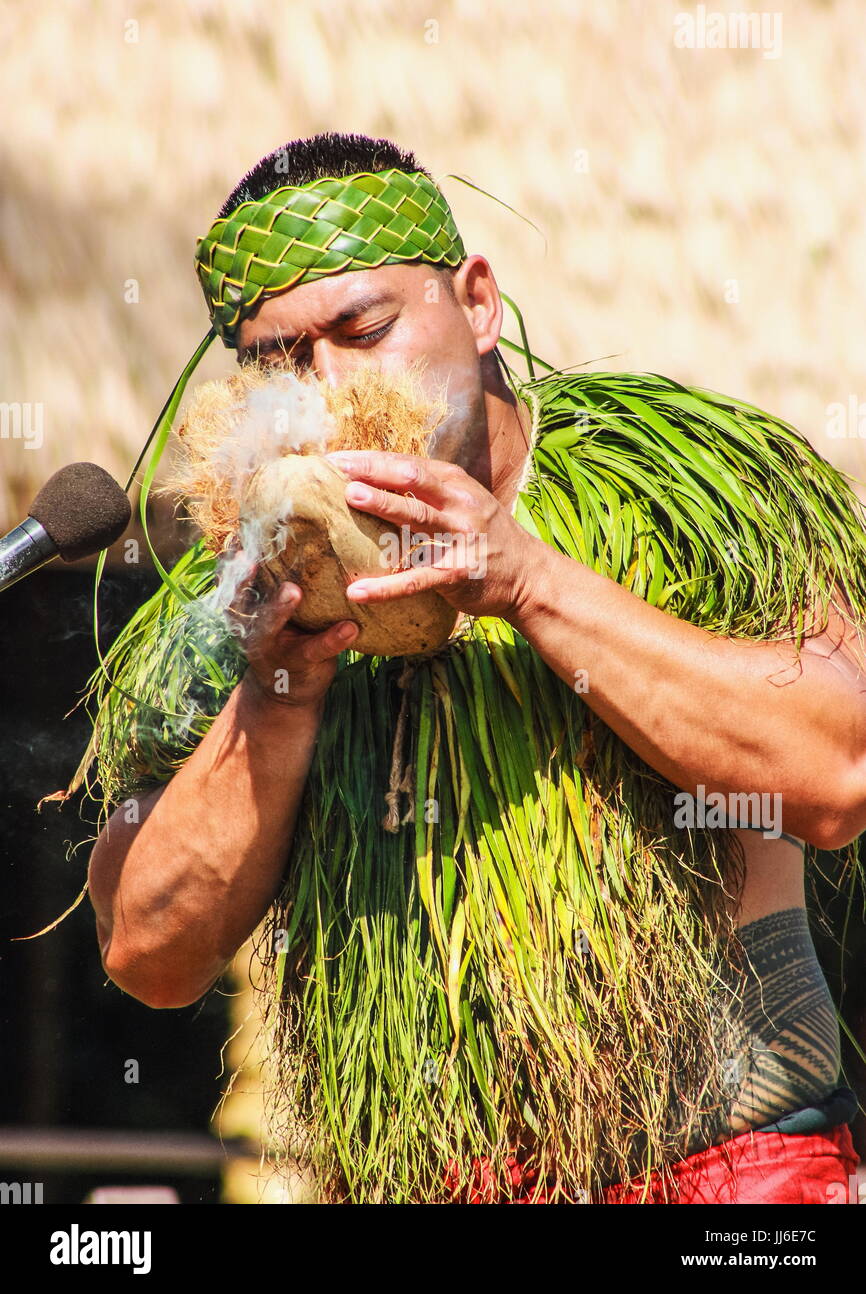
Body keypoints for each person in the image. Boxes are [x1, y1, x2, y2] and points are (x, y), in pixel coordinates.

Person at [82, 131, 866, 1203]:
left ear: (478, 303)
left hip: (731, 1180)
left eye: (365, 329)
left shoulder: (688, 495)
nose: (328, 386)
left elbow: (837, 772)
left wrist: (529, 585)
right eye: (279, 361)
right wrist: (281, 690)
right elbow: (148, 952)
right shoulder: (233, 609)